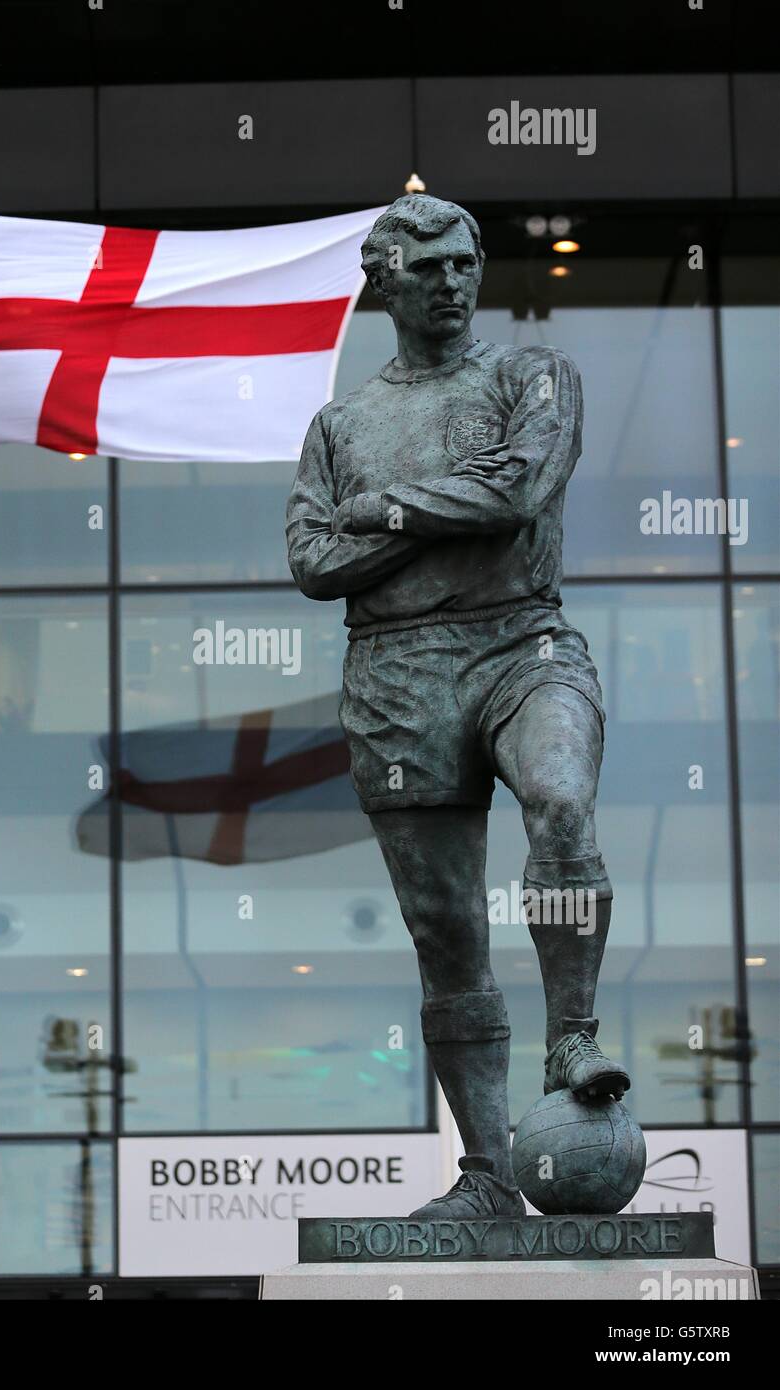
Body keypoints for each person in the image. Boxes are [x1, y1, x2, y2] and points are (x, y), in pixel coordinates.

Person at [285, 194, 630, 1219]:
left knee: (561, 798)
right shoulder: (341, 424)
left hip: (521, 641)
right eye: (426, 265)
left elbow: (518, 491)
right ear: (381, 280)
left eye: (463, 262)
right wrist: (443, 512)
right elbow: (311, 560)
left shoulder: (533, 375)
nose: (450, 281)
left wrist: (385, 512)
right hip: (394, 676)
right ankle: (486, 1174)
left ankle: (571, 1032)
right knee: (443, 932)